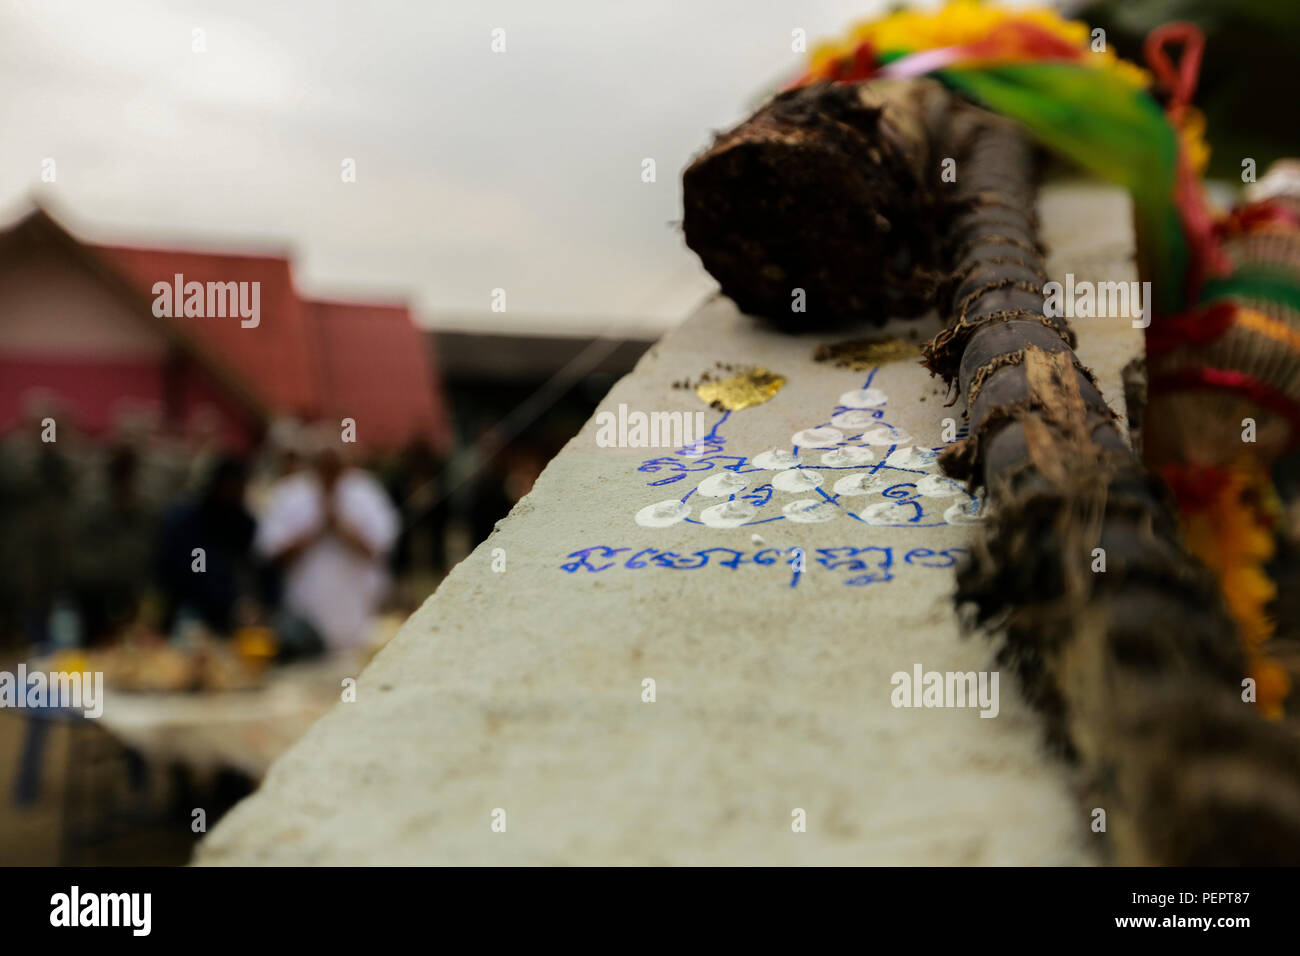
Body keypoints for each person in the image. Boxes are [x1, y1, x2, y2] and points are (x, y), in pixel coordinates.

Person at [254, 430, 399, 654]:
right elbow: (271, 552)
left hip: (358, 610)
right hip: (305, 613)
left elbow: (379, 547)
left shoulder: (366, 490)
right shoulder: (289, 493)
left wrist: (340, 527)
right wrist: (316, 530)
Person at [155, 455, 257, 636]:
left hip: (228, 609)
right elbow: (195, 566)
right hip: (187, 607)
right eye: (231, 487)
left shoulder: (242, 521)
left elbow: (245, 564)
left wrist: (247, 599)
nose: (236, 493)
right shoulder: (188, 519)